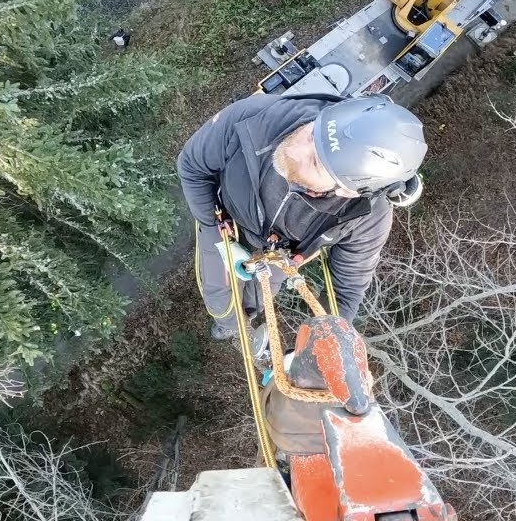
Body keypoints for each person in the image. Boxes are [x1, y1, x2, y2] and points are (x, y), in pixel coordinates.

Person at [177, 94, 427, 352]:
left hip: (278, 254)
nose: (295, 150)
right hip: (227, 223)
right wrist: (214, 225)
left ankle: (246, 318)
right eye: (312, 134)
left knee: (259, 299)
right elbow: (192, 167)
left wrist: (316, 352)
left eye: (316, 162)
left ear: (346, 191)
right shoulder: (257, 117)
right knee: (220, 299)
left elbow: (346, 289)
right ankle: (227, 326)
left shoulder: (366, 218)